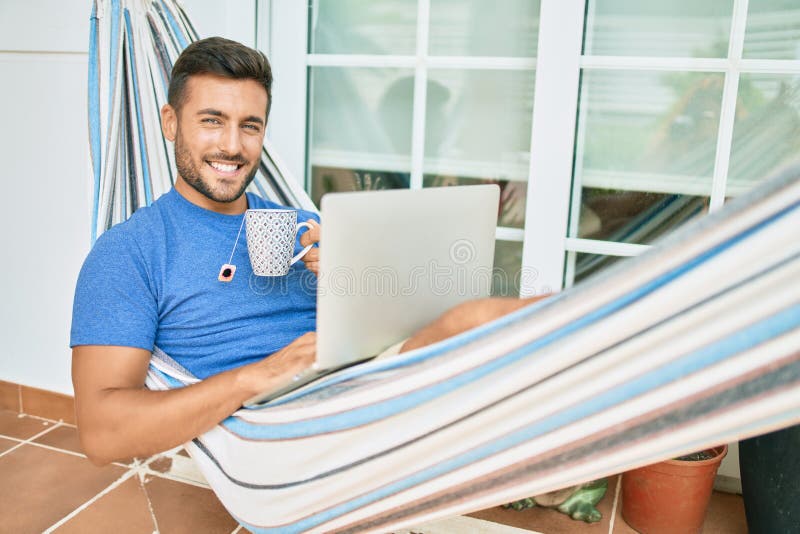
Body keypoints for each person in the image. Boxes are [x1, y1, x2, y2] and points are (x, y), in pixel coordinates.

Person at [71, 37, 541, 467]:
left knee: (485, 318)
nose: (233, 146)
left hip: (367, 385)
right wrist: (257, 376)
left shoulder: (303, 227)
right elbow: (102, 434)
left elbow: (381, 330)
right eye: (212, 121)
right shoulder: (130, 252)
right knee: (478, 324)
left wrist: (352, 278)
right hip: (285, 429)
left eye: (249, 126)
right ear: (170, 122)